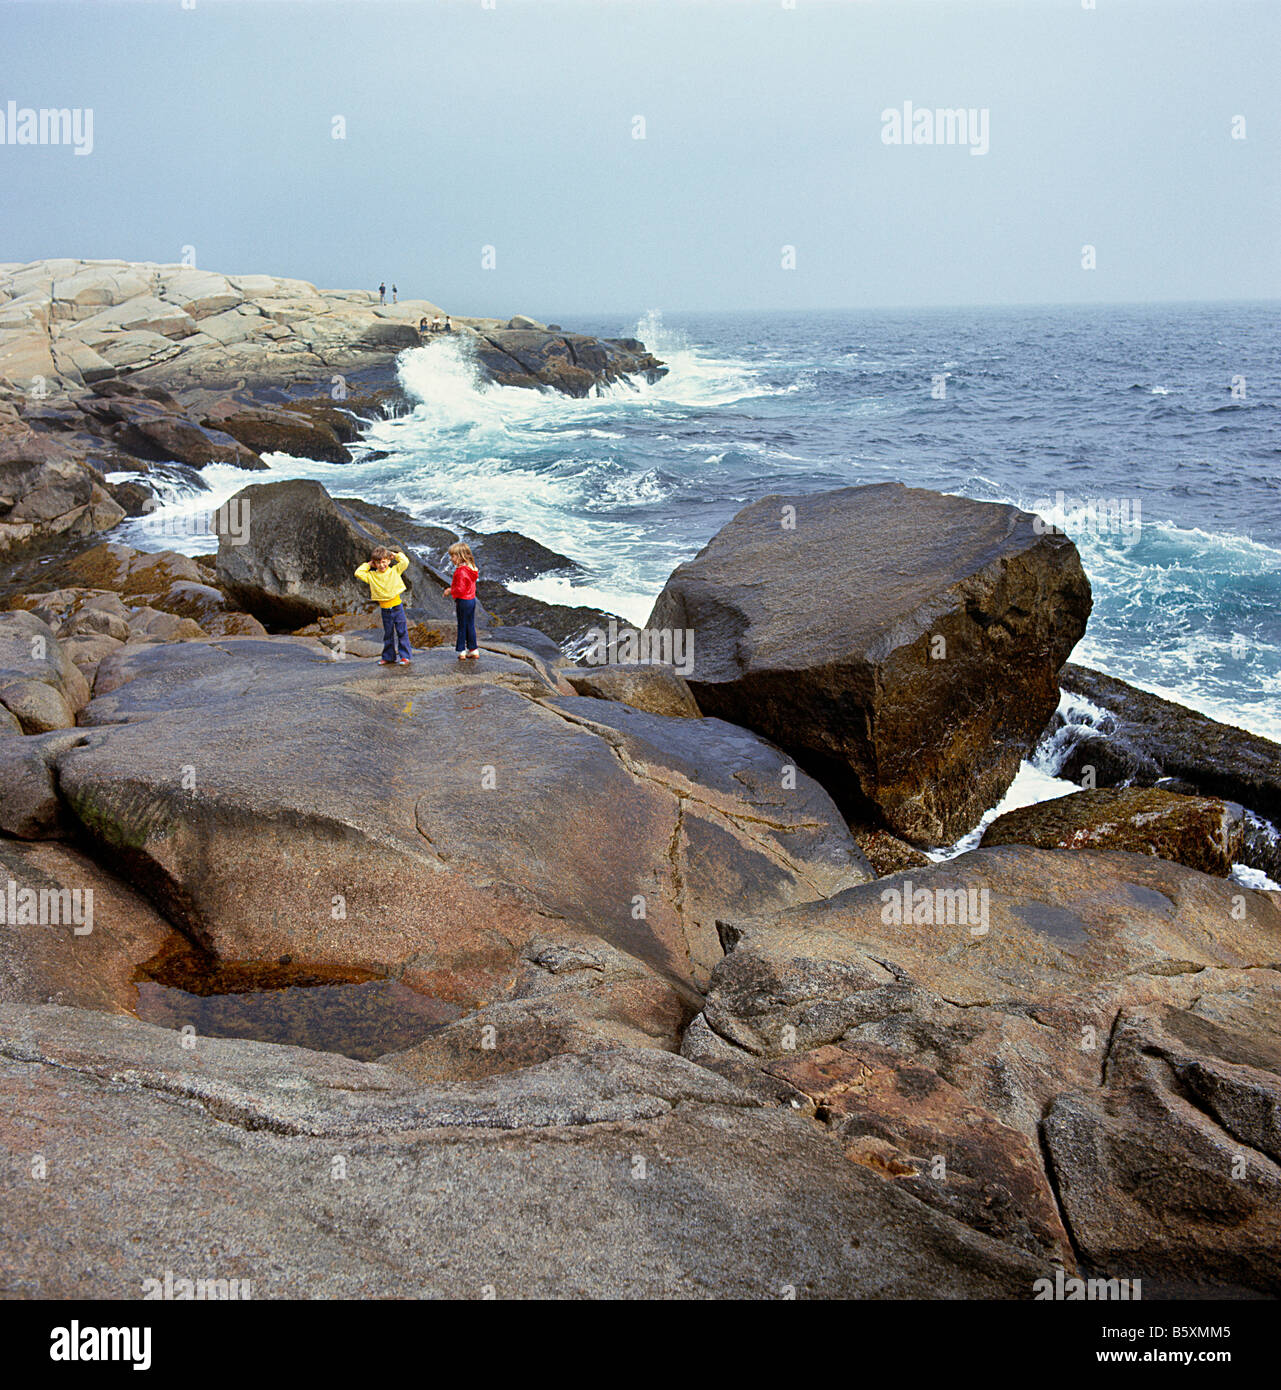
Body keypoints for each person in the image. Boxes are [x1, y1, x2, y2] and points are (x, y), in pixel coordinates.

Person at [355, 546, 412, 665]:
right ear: (374, 564)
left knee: (402, 632)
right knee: (388, 634)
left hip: (397, 607)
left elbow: (405, 561)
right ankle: (388, 657)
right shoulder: (372, 576)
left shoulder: (395, 570)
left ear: (388, 561)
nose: (381, 565)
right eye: (378, 563)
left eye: (383, 562)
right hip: (385, 609)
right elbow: (358, 573)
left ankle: (405, 656)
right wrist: (369, 564)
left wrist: (394, 554)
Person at [443, 542, 479, 659]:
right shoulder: (471, 569)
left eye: (453, 556)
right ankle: (473, 649)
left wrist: (450, 591)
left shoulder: (460, 571)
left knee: (462, 625)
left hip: (463, 601)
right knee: (470, 624)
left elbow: (460, 589)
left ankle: (462, 650)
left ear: (460, 556)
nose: (451, 559)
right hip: (472, 600)